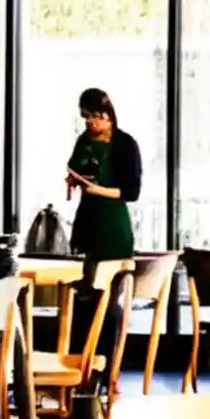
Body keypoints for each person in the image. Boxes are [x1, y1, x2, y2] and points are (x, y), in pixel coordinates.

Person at [64, 88, 141, 378]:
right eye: (86, 117)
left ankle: (106, 366)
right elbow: (75, 167)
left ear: (109, 115)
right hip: (87, 221)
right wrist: (74, 180)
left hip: (113, 225)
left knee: (106, 300)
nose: (91, 123)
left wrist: (98, 190)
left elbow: (131, 191)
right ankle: (80, 366)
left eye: (97, 117)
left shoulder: (125, 144)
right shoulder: (83, 141)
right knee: (86, 296)